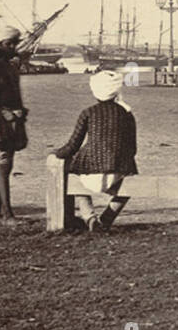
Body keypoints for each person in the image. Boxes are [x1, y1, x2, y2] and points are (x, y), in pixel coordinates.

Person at [53, 69, 139, 232]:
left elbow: (73, 145)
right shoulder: (127, 114)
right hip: (118, 167)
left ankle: (89, 217)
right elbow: (132, 148)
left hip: (90, 166)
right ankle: (106, 219)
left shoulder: (88, 112)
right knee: (130, 185)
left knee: (73, 180)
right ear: (116, 91)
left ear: (95, 91)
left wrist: (56, 154)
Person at [0, 25, 27, 222]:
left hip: (12, 121)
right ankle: (7, 214)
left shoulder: (10, 66)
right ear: (1, 44)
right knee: (4, 166)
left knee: (6, 167)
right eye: (10, 44)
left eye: (14, 43)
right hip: (0, 122)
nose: (13, 47)